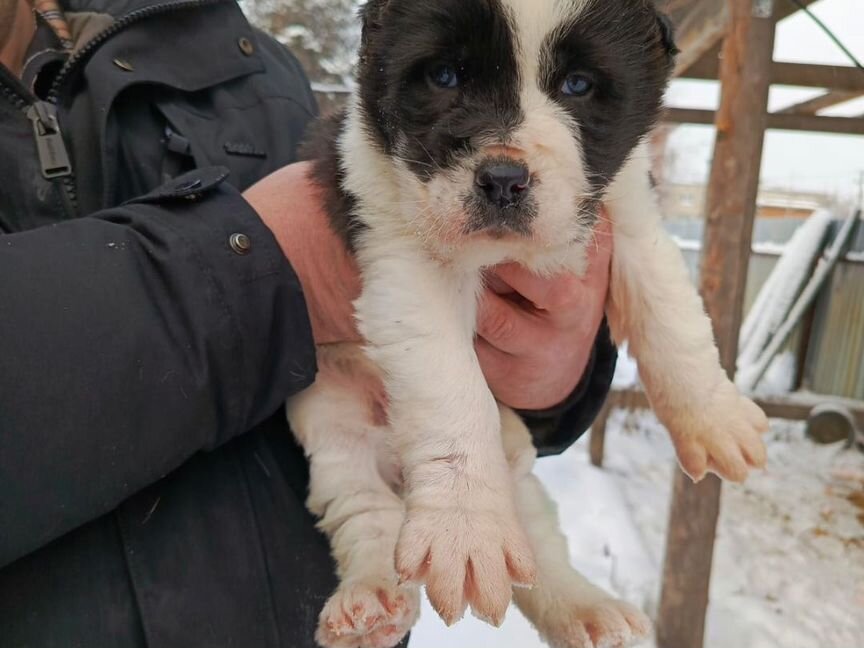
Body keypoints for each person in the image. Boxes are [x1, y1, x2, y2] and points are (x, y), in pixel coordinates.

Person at [0, 0, 617, 645]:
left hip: (313, 540)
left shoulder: (243, 58)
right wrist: (252, 269)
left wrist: (556, 379)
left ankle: (540, 584)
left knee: (378, 454)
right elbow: (326, 259)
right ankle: (379, 564)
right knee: (343, 463)